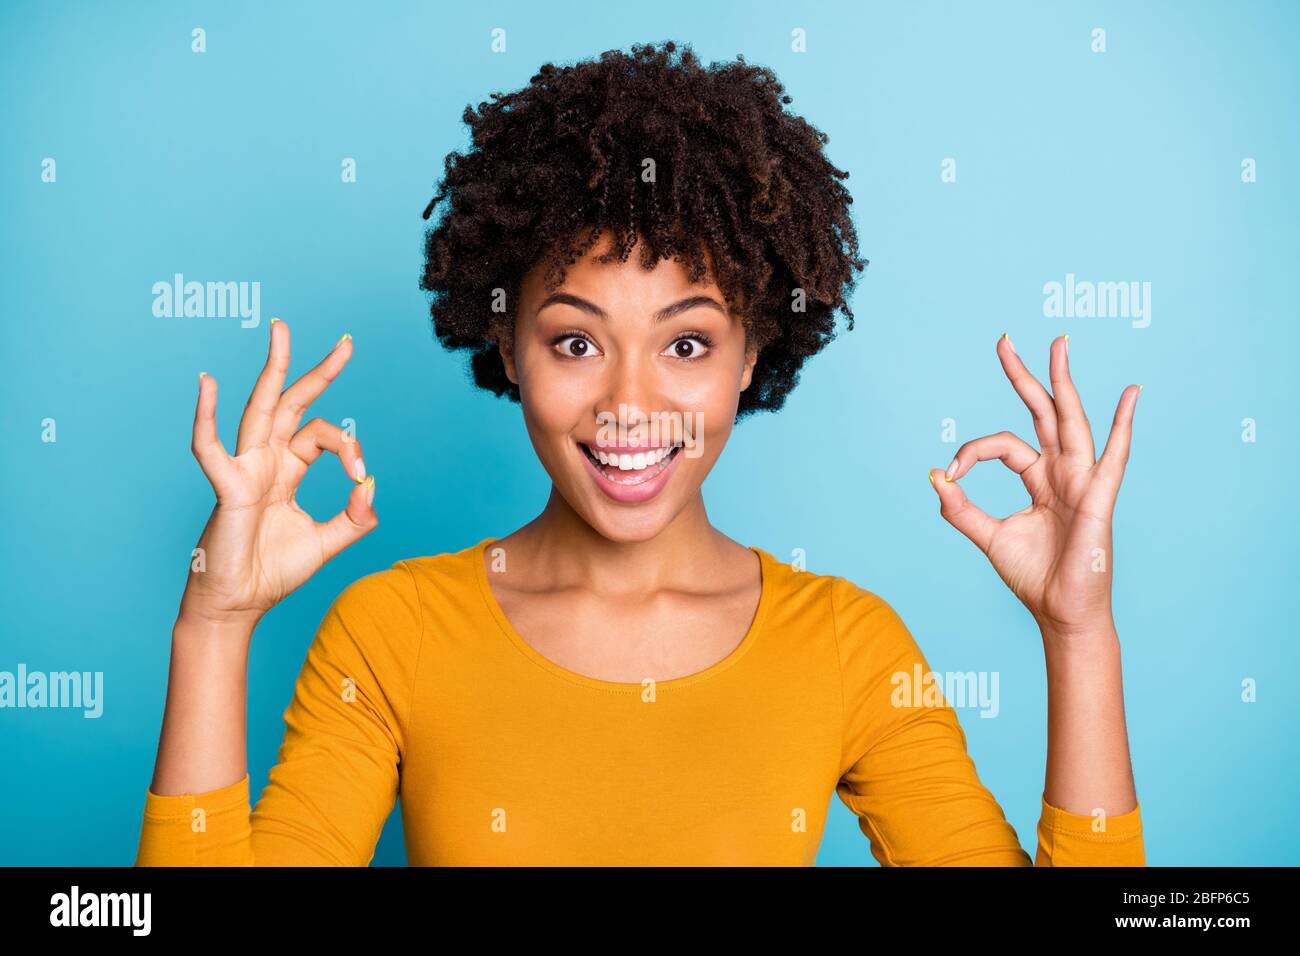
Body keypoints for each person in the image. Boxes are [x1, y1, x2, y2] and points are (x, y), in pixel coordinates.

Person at [135, 40, 1144, 866]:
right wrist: (214, 623)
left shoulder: (849, 646)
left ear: (752, 350)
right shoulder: (390, 633)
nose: (628, 402)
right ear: (507, 345)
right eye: (575, 340)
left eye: (688, 342)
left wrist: (1078, 631)